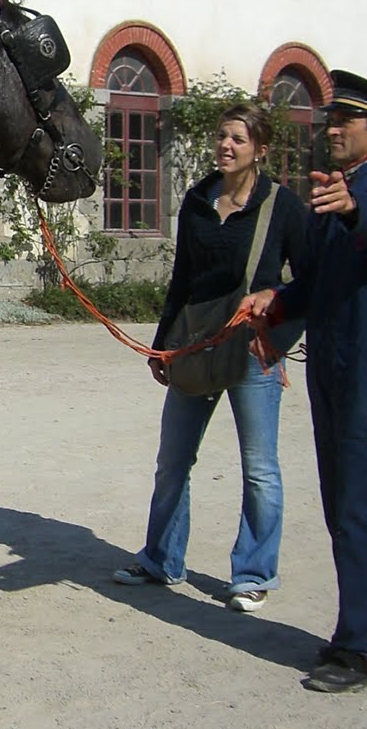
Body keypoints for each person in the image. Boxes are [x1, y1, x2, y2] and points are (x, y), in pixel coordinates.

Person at [242, 71, 367, 693]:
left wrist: (355, 207)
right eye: (331, 120)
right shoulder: (331, 195)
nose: (333, 130)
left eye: (347, 120)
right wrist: (276, 299)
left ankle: (364, 649)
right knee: (347, 502)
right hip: (331, 365)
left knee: (360, 505)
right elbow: (318, 283)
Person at [113, 102, 307, 612]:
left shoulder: (283, 207)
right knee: (172, 460)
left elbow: (311, 281)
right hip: (196, 343)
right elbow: (182, 279)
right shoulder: (198, 200)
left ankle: (253, 574)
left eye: (238, 138)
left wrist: (279, 333)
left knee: (259, 468)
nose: (226, 145)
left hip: (253, 349)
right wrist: (162, 344)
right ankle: (161, 559)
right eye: (222, 135)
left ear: (260, 149)